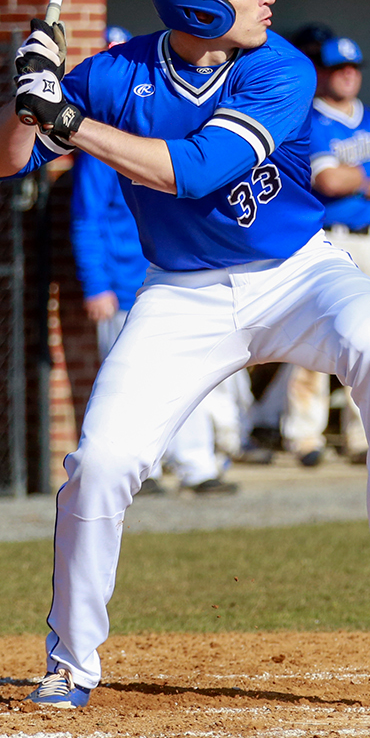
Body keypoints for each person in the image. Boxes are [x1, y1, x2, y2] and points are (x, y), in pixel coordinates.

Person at [0, 0, 370, 708]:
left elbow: (197, 171)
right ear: (201, 5)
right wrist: (29, 98)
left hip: (298, 273)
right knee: (100, 463)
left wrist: (69, 122)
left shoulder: (280, 67)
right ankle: (71, 661)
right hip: (182, 294)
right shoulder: (112, 76)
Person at [70, 150, 243, 493]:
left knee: (189, 378)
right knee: (131, 385)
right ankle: (141, 472)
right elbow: (86, 218)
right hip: (123, 289)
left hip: (176, 283)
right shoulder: (100, 152)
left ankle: (196, 466)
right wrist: (96, 285)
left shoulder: (167, 135)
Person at [287, 33, 370, 464]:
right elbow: (326, 182)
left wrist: (353, 178)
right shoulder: (310, 120)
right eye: (338, 68)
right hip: (327, 236)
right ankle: (306, 436)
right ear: (321, 72)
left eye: (353, 67)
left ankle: (364, 436)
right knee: (315, 333)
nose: (348, 74)